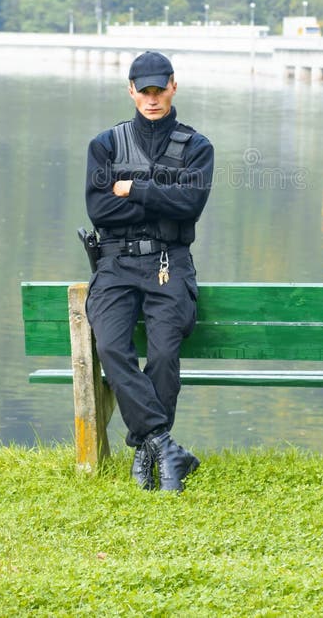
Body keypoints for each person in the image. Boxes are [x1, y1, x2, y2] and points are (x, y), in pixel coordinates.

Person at [84, 51, 214, 491]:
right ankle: (163, 443)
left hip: (167, 264)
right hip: (116, 264)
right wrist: (163, 195)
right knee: (112, 347)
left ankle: (146, 451)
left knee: (162, 354)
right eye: (145, 90)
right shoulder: (104, 144)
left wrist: (134, 187)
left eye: (160, 89)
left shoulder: (197, 147)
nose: (153, 98)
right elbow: (99, 208)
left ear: (174, 86)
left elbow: (190, 205)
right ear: (131, 91)